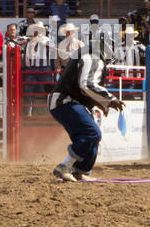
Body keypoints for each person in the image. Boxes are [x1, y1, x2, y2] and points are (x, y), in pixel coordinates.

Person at [49, 51, 125, 183]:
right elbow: (86, 84)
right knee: (92, 132)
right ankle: (65, 166)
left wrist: (102, 103)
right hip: (65, 101)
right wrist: (109, 99)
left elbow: (83, 86)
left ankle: (80, 171)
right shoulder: (93, 58)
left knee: (93, 135)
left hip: (67, 102)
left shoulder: (87, 56)